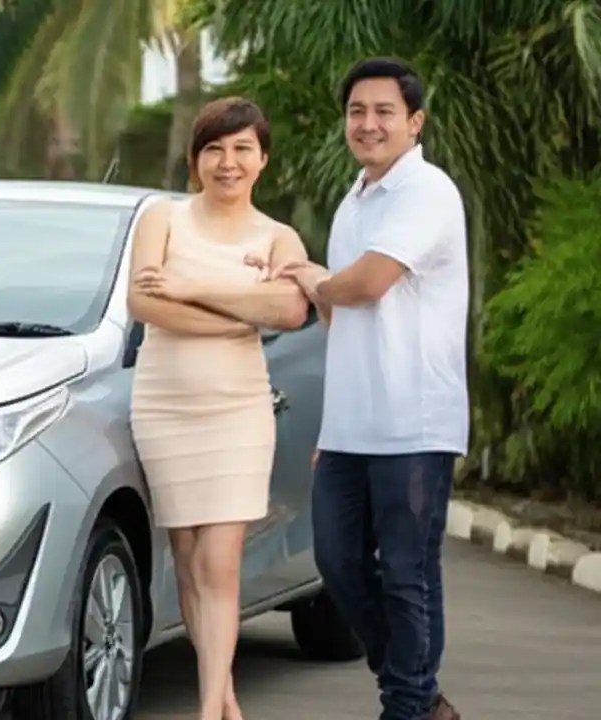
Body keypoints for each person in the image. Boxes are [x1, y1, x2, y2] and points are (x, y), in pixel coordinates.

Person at [274, 57, 468, 720]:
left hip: (415, 422)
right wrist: (332, 429)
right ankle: (420, 696)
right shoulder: (353, 201)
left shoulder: (428, 191)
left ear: (415, 122)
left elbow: (367, 284)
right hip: (351, 428)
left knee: (409, 575)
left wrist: (314, 279)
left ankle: (409, 705)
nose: (368, 123)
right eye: (357, 112)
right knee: (338, 564)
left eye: (385, 111)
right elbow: (341, 319)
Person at [127, 96, 311, 720]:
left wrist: (192, 288)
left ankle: (208, 707)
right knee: (186, 554)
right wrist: (239, 310)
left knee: (219, 556)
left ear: (262, 160)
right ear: (195, 159)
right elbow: (145, 305)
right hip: (164, 406)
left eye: (241, 149)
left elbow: (289, 311)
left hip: (238, 411)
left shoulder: (278, 236)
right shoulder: (163, 217)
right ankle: (225, 695)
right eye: (214, 148)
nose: (227, 162)